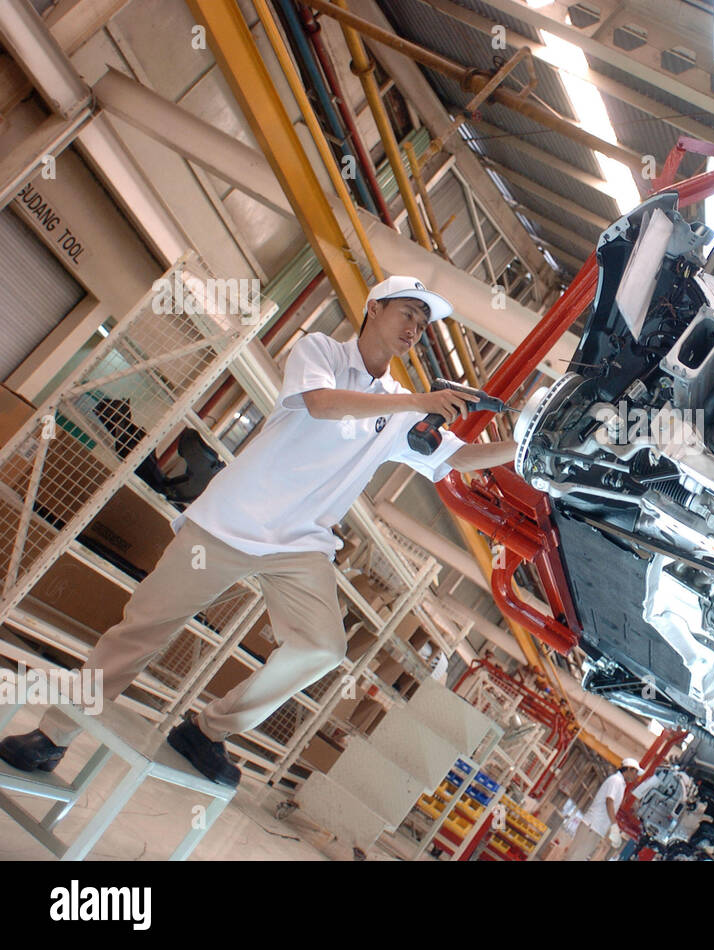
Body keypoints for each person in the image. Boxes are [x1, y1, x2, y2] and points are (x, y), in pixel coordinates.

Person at [0, 276, 516, 788]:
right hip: (232, 522)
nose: (416, 329)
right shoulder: (322, 353)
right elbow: (322, 403)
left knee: (322, 648)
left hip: (301, 546)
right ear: (374, 308)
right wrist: (415, 406)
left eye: (424, 324)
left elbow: (460, 458)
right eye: (409, 313)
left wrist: (528, 449)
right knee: (143, 628)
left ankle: (207, 732)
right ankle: (53, 736)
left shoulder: (402, 407)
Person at [567, 758, 641, 861]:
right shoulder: (616, 780)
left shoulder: (620, 783)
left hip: (595, 828)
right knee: (575, 858)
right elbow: (609, 801)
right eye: (635, 772)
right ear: (628, 769)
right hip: (592, 826)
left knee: (574, 857)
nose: (636, 776)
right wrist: (614, 825)